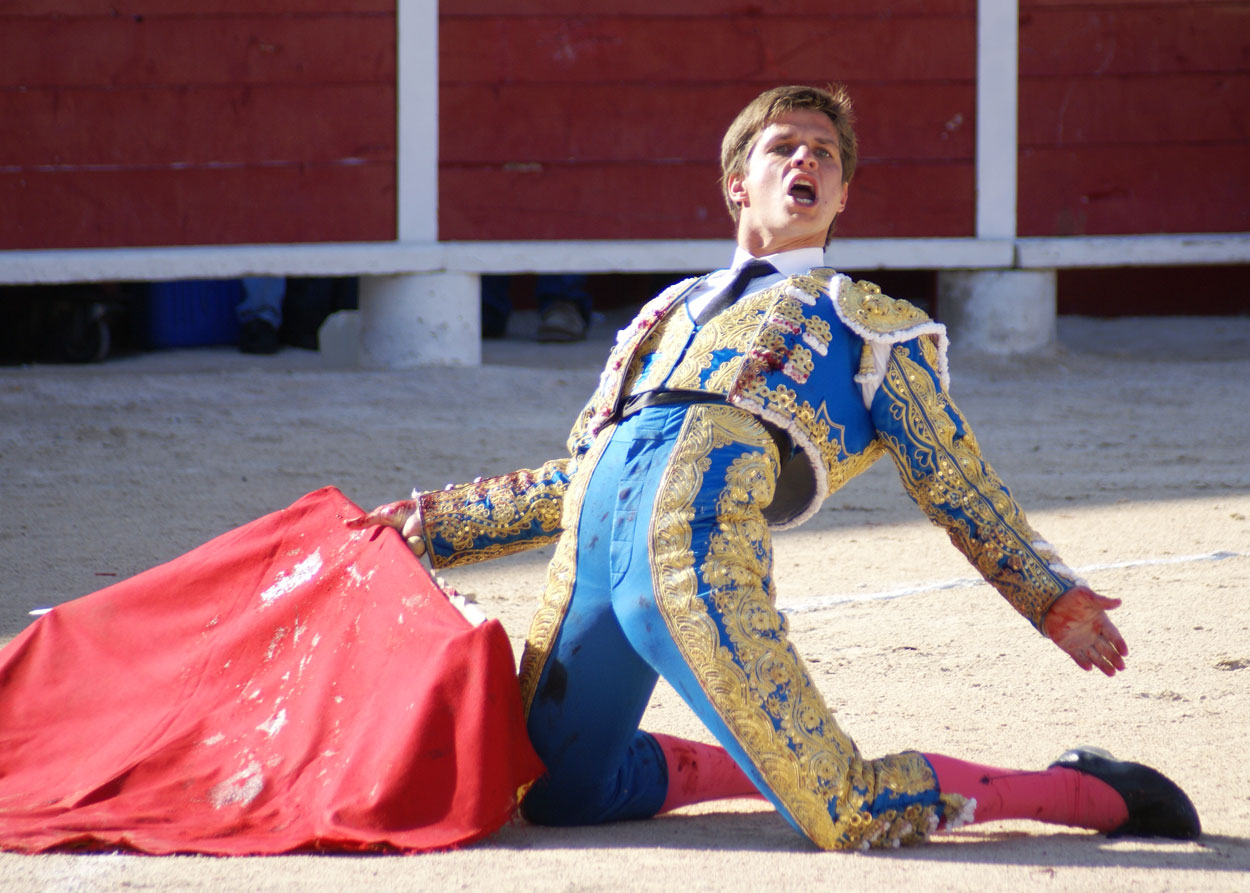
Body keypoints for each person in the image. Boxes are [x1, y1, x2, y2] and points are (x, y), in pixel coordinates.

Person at [349, 85, 1199, 850]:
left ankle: (1088, 791)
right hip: (589, 565)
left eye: (825, 153)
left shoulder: (869, 323)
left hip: (695, 563)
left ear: (842, 195)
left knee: (849, 811)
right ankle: (754, 765)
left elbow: (951, 475)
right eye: (785, 146)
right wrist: (430, 525)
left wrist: (1046, 592)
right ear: (737, 184)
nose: (807, 160)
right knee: (558, 794)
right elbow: (580, 473)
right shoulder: (662, 314)